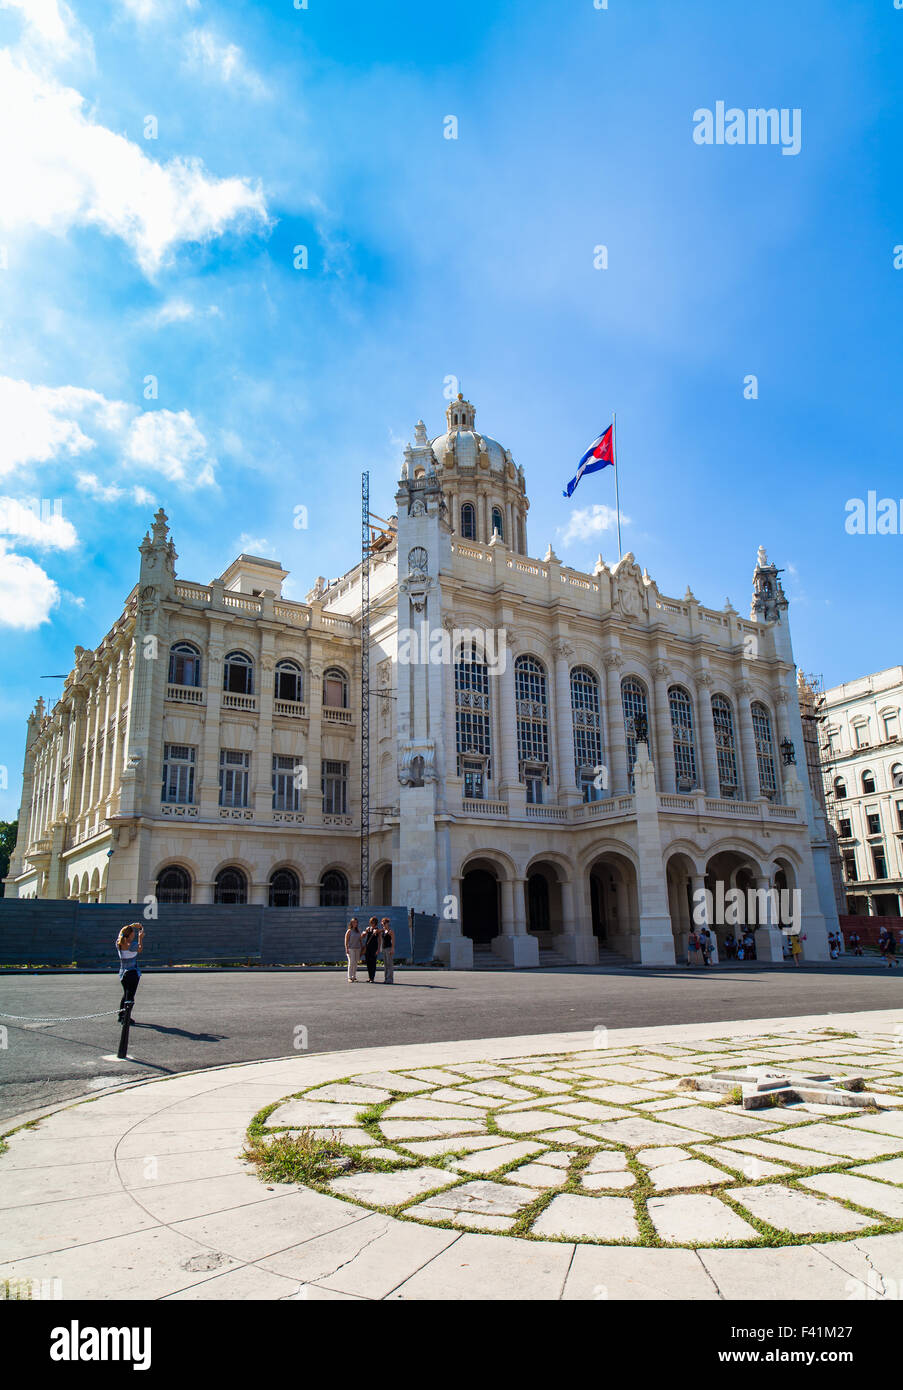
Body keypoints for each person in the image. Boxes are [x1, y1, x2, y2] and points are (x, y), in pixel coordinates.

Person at [116, 922, 144, 1023]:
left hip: (123, 973)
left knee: (125, 995)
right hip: (132, 973)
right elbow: (140, 949)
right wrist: (140, 937)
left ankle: (121, 1015)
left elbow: (122, 933)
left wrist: (131, 926)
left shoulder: (119, 944)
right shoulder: (132, 945)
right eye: (133, 934)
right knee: (130, 998)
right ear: (131, 935)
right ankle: (126, 1018)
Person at [362, 916, 381, 983]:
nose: (372, 923)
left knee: (373, 963)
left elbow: (379, 940)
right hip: (368, 947)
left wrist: (378, 949)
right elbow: (363, 936)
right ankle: (370, 977)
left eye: (374, 922)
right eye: (371, 922)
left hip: (374, 948)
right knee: (368, 963)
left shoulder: (377, 930)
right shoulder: (368, 928)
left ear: (376, 923)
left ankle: (372, 978)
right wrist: (364, 933)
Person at [344, 917, 361, 983]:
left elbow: (359, 940)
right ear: (351, 923)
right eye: (354, 922)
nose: (355, 923)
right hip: (351, 949)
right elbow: (346, 941)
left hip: (357, 948)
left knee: (356, 963)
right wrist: (346, 949)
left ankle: (354, 976)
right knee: (351, 962)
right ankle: (349, 977)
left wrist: (362, 947)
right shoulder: (349, 931)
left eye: (356, 922)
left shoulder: (357, 931)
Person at [381, 916, 395, 984]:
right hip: (384, 948)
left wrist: (392, 949)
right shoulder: (383, 931)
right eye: (383, 923)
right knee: (386, 964)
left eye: (385, 923)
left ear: (387, 923)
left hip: (389, 948)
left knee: (390, 964)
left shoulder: (390, 931)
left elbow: (393, 940)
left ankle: (390, 979)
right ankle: (386, 978)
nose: (384, 924)